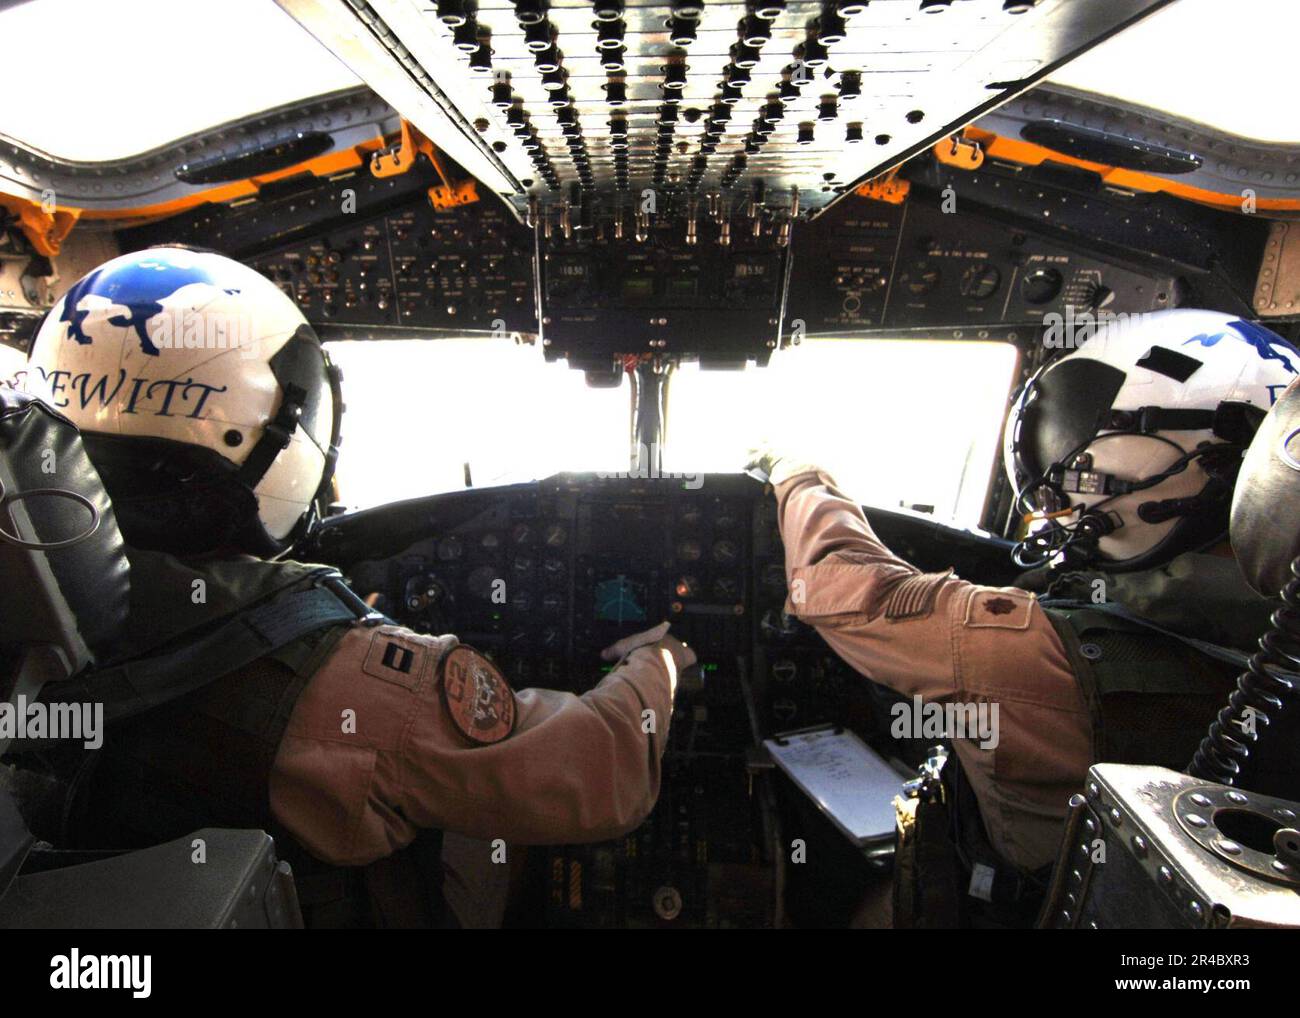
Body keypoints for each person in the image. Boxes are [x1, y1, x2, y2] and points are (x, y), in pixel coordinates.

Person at [10, 246, 693, 928]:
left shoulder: (27, 606)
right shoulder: (334, 680)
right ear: (273, 436)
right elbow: (605, 769)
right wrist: (657, 663)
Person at [751, 309, 1298, 926]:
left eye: (1081, 475)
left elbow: (839, 590)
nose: (1057, 506)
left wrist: (797, 472)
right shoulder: (1275, 633)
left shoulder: (1043, 656)